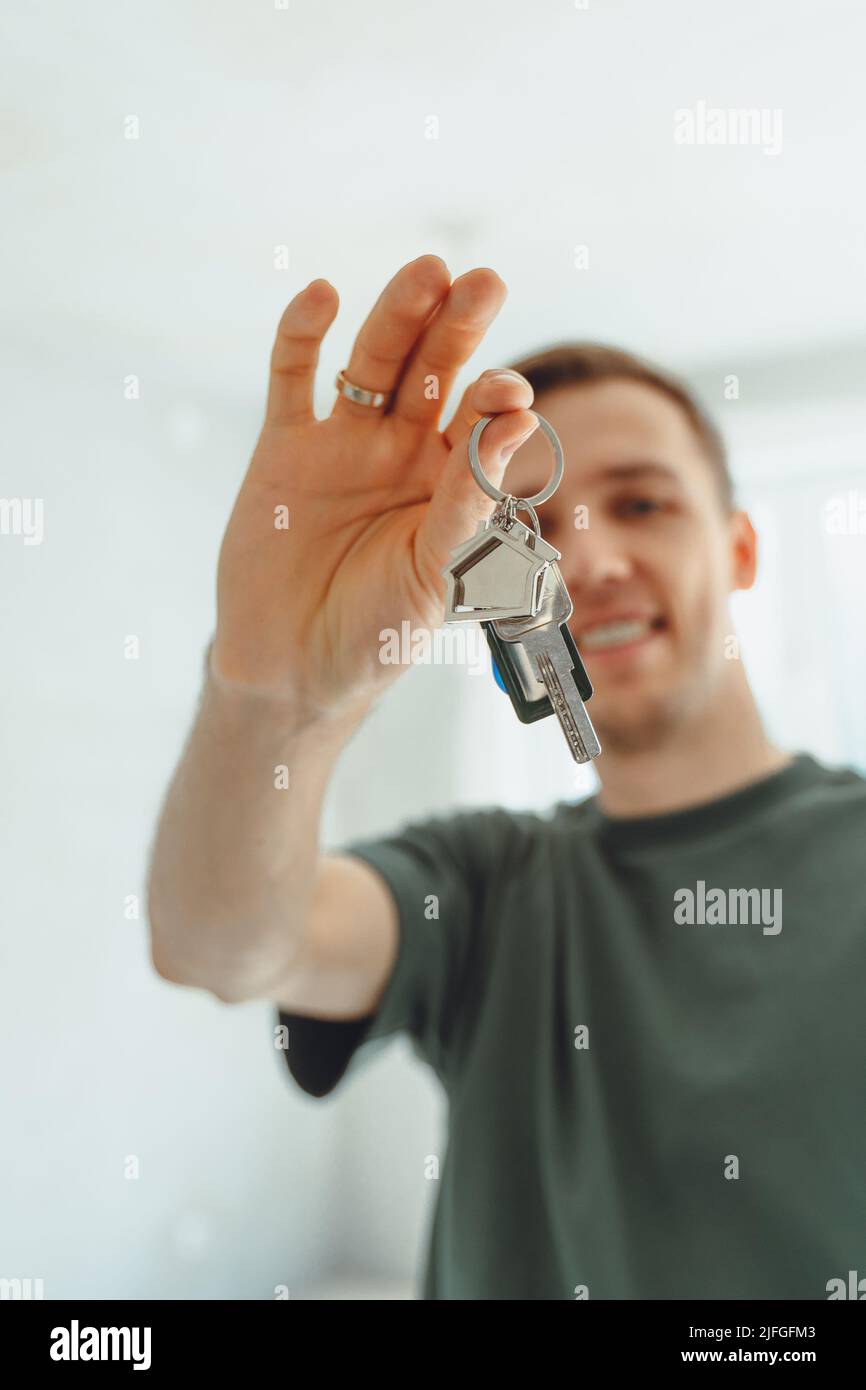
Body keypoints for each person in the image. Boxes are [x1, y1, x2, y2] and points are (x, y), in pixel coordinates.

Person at [147, 256, 866, 1300]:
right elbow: (217, 942)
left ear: (740, 548)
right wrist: (272, 697)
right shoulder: (480, 881)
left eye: (642, 503)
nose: (589, 559)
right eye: (533, 522)